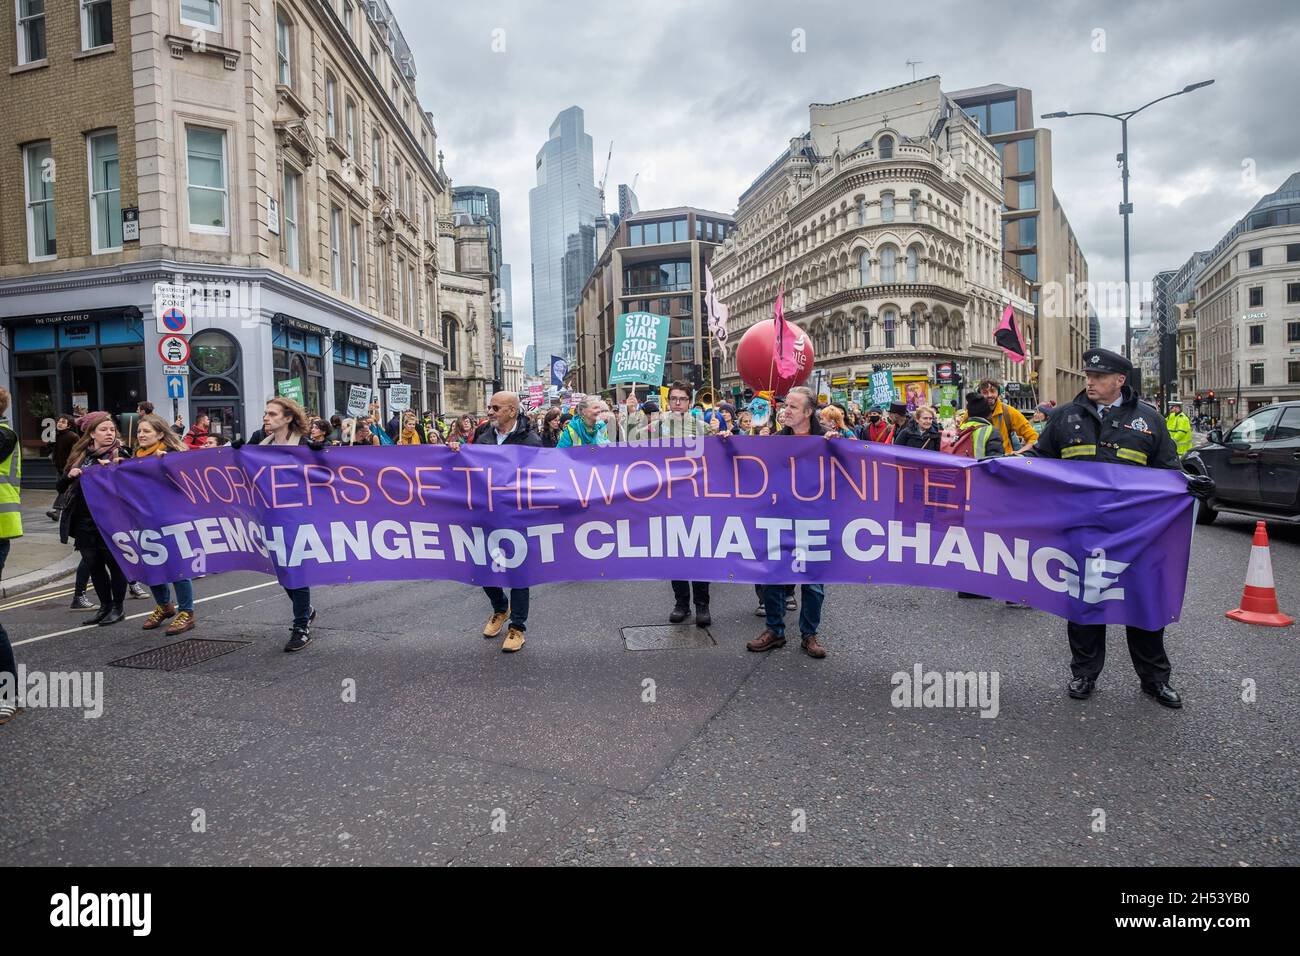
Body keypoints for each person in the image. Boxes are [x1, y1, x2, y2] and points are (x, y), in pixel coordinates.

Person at [1023, 348, 1185, 709]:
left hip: (1137, 535)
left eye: (1098, 377)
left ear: (1119, 381)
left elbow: (1169, 470)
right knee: (1084, 606)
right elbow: (1040, 461)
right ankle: (1084, 674)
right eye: (1087, 376)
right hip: (1082, 531)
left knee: (1143, 606)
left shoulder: (1148, 420)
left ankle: (1155, 680)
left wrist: (1193, 482)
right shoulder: (1065, 417)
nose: (1090, 382)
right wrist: (1003, 465)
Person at [449, 392, 542, 653]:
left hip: (516, 516)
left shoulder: (530, 440)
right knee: (481, 565)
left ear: (512, 411)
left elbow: (540, 479)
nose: (489, 411)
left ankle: (517, 627)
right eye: (489, 407)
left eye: (496, 408)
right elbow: (468, 465)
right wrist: (457, 451)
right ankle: (500, 607)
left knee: (517, 570)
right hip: (484, 513)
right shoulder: (483, 435)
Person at [747, 386, 829, 659]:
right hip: (779, 516)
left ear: (808, 412)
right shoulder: (776, 440)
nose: (786, 410)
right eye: (785, 406)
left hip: (815, 518)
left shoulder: (828, 439)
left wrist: (839, 448)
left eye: (793, 407)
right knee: (773, 575)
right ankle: (774, 631)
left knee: (813, 582)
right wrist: (728, 441)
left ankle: (809, 634)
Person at [58, 412, 129, 626]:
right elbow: (60, 487)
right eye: (104, 430)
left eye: (112, 430)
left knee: (114, 564)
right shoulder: (81, 454)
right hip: (83, 518)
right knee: (93, 563)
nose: (109, 433)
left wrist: (118, 469)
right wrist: (70, 475)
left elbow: (131, 485)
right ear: (91, 434)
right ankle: (105, 606)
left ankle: (118, 607)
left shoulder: (121, 453)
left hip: (110, 518)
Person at [260, 397, 318, 652]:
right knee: (283, 572)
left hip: (299, 518)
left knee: (296, 570)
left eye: (272, 414)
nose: (266, 418)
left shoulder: (305, 445)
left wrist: (323, 455)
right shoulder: (258, 443)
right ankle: (306, 609)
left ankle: (301, 626)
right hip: (271, 518)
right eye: (266, 413)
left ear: (288, 417)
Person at [655, 382, 713, 626]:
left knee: (699, 551)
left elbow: (717, 457)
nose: (678, 403)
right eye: (674, 399)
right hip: (668, 498)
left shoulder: (702, 428)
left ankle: (702, 605)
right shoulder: (657, 428)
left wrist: (724, 437)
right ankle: (681, 603)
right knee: (675, 552)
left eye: (682, 399)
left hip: (697, 498)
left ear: (690, 402)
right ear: (669, 401)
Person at [133, 414, 198, 635]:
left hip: (172, 519)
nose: (141, 435)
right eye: (139, 431)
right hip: (145, 519)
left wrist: (168, 465)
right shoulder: (137, 456)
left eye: (147, 431)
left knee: (176, 567)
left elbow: (188, 484)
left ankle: (186, 612)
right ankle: (164, 606)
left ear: (160, 434)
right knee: (153, 564)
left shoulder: (173, 454)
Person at [978, 380, 1038, 454]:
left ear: (998, 392)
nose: (989, 395)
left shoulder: (1009, 412)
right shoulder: (971, 413)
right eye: (985, 392)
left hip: (1003, 463)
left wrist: (1019, 453)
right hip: (979, 463)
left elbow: (1033, 437)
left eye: (992, 391)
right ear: (980, 394)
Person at [46, 413, 79, 521]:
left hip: (68, 468)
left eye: (63, 422)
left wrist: (72, 464)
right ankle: (67, 511)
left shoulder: (72, 436)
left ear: (69, 426)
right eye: (59, 421)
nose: (60, 424)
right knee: (63, 489)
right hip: (59, 467)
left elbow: (77, 451)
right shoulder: (55, 434)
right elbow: (50, 449)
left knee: (63, 489)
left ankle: (57, 511)